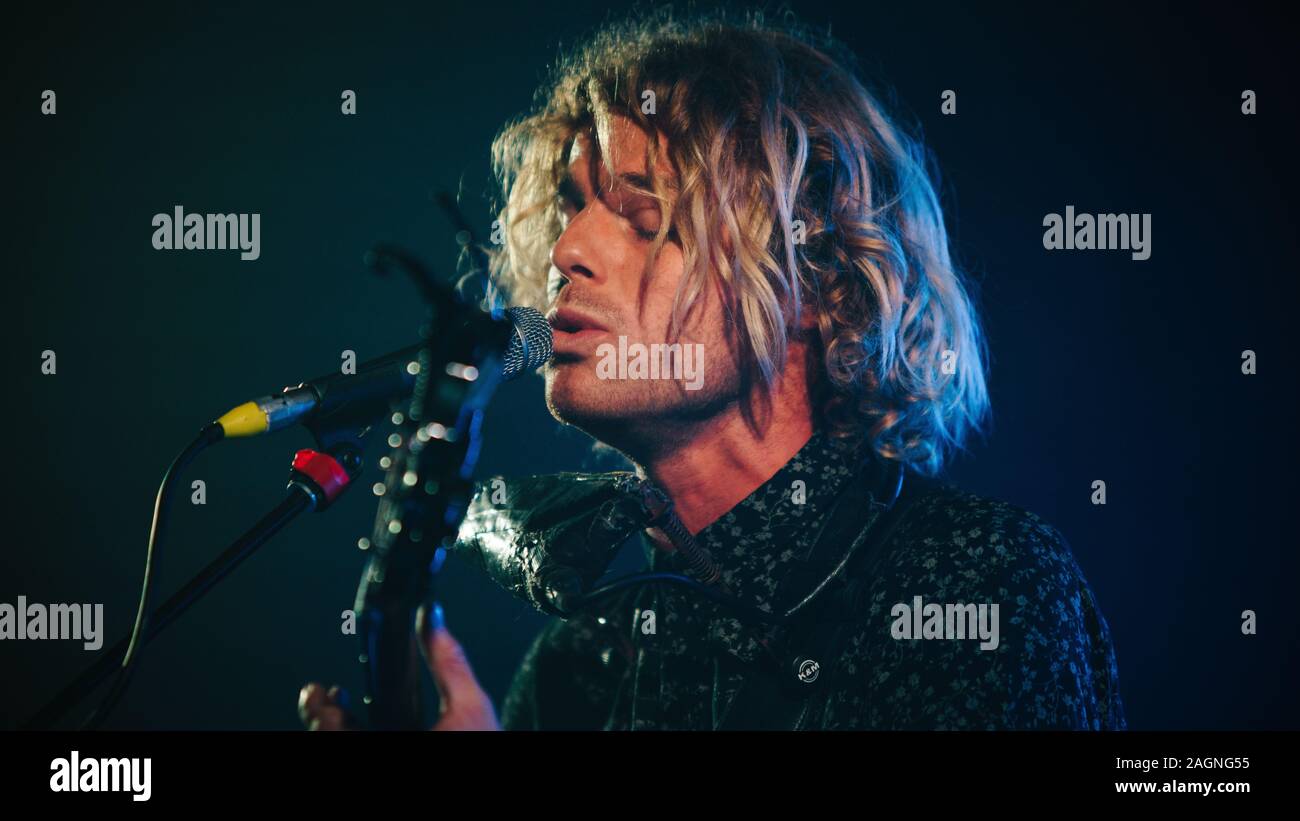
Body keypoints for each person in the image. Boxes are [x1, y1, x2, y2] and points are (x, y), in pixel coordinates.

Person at [300, 10, 1125, 731]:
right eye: (573, 207)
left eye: (640, 213)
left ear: (820, 277)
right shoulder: (577, 664)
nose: (565, 251)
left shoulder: (976, 580)